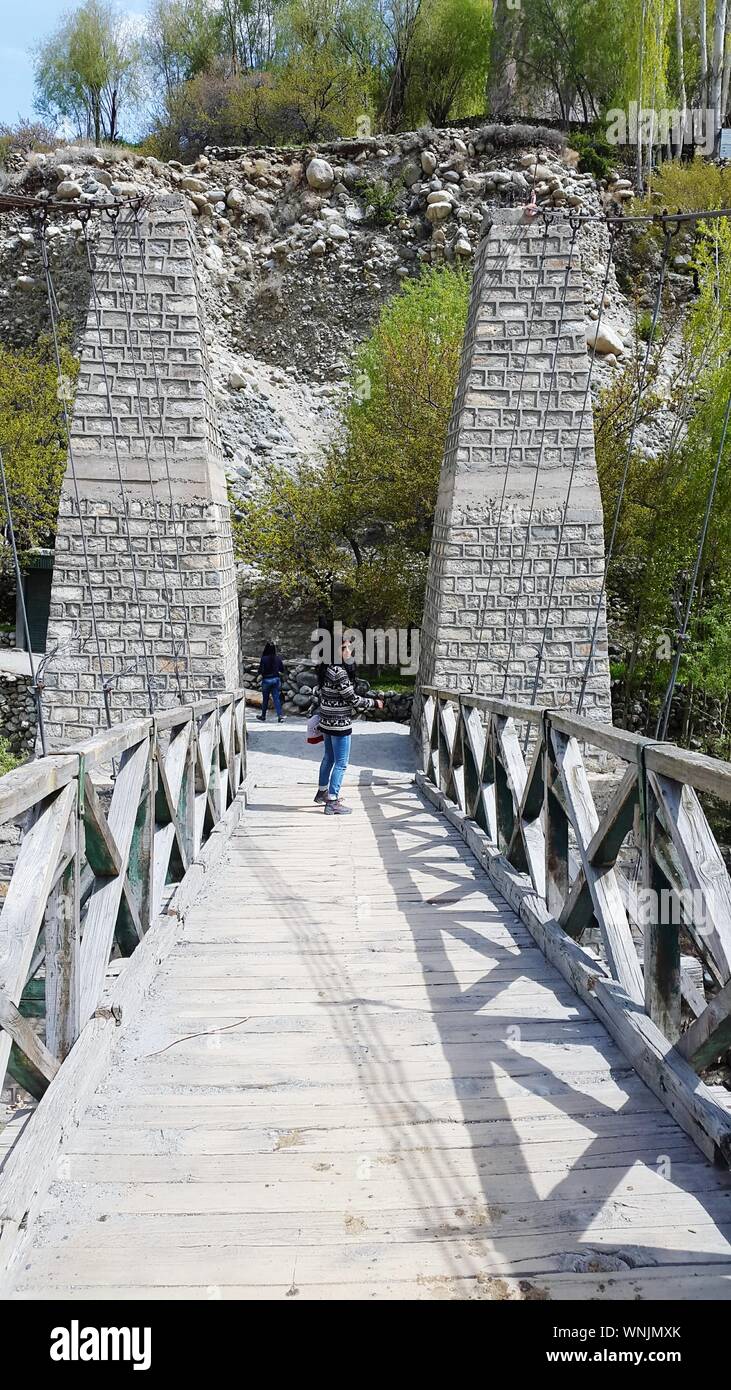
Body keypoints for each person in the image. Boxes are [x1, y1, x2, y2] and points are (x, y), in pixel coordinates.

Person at [315, 638, 383, 815]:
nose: (349, 652)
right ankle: (332, 802)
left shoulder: (327, 668)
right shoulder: (340, 672)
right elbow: (352, 699)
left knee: (328, 757)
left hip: (327, 721)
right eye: (345, 648)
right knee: (341, 763)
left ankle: (322, 792)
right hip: (339, 723)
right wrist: (374, 703)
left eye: (350, 648)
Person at [256, 642, 285, 722]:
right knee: (276, 698)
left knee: (265, 699)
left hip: (266, 680)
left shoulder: (264, 658)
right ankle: (280, 716)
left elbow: (260, 670)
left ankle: (263, 716)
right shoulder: (277, 658)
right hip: (276, 680)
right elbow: (282, 669)